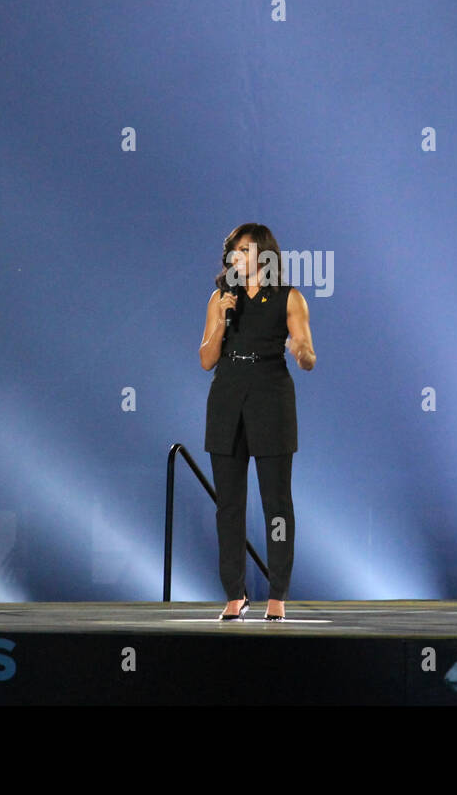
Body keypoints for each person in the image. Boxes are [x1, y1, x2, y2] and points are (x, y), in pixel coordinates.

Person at [199, 224, 315, 621]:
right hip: (227, 396)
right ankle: (235, 593)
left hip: (271, 397)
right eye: (232, 251)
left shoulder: (289, 298)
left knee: (276, 503)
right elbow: (205, 359)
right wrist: (220, 319)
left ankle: (277, 593)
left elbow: (306, 352)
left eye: (244, 250)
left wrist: (301, 352)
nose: (236, 257)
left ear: (264, 255)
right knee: (228, 505)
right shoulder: (221, 297)